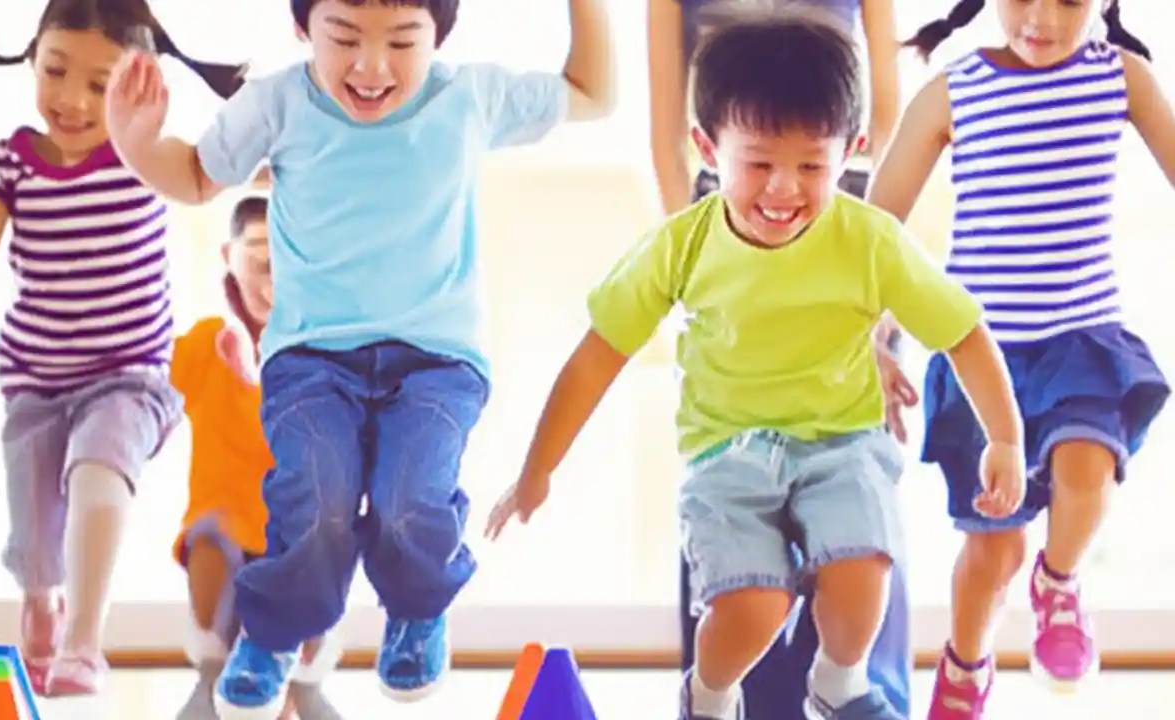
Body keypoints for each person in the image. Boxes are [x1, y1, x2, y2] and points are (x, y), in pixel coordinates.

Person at [487, 10, 1025, 720]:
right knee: (755, 603)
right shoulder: (683, 245)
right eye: (759, 164)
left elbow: (962, 332)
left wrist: (1005, 437)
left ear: (850, 150)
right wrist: (538, 469)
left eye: (811, 166)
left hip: (842, 445)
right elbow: (597, 356)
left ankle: (840, 685)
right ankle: (708, 698)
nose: (783, 190)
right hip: (727, 454)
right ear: (708, 147)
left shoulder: (870, 241)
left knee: (864, 573)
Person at [102, 0, 616, 716]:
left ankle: (415, 611)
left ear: (440, 36)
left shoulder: (469, 96)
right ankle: (277, 634)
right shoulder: (277, 103)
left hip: (437, 359)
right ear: (302, 29)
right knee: (317, 500)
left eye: (403, 41)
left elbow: (593, 95)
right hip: (311, 357)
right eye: (342, 38)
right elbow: (193, 177)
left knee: (412, 496)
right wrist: (134, 142)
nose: (370, 66)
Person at [867, 1, 1171, 716]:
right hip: (982, 356)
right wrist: (876, 340)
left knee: (1087, 468)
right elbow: (877, 232)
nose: (1040, 16)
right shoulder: (954, 89)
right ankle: (965, 665)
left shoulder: (1123, 78)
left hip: (1081, 337)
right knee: (993, 555)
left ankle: (1059, 583)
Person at [0, 0, 244, 697]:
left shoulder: (142, 153)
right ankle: (43, 604)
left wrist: (291, 164)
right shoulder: (13, 161)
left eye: (100, 85)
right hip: (36, 384)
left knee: (98, 469)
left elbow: (218, 176)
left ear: (137, 83)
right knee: (38, 545)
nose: (71, 101)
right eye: (55, 71)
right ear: (33, 60)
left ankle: (83, 643)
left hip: (129, 377)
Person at [646, 1, 913, 716]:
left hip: (841, 237)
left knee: (858, 518)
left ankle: (854, 694)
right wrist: (701, 280)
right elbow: (668, 138)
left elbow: (885, 126)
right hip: (735, 242)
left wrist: (875, 319)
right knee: (734, 525)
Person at [170, 193, 343, 720]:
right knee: (212, 546)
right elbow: (142, 387)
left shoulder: (331, 352)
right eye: (260, 259)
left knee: (300, 671)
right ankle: (218, 677)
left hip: (300, 540)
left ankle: (297, 685)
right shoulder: (206, 346)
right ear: (230, 257)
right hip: (222, 536)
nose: (272, 278)